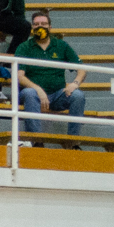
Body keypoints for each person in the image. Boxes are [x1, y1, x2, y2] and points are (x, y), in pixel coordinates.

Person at [14, 10, 88, 141]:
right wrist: (38, 90)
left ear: (50, 27)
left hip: (57, 94)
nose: (40, 27)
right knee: (30, 93)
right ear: (32, 27)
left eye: (44, 23)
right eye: (36, 24)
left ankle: (73, 141)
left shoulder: (61, 45)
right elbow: (19, 76)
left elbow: (81, 69)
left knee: (78, 95)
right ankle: (36, 141)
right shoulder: (24, 47)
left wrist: (75, 83)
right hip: (34, 94)